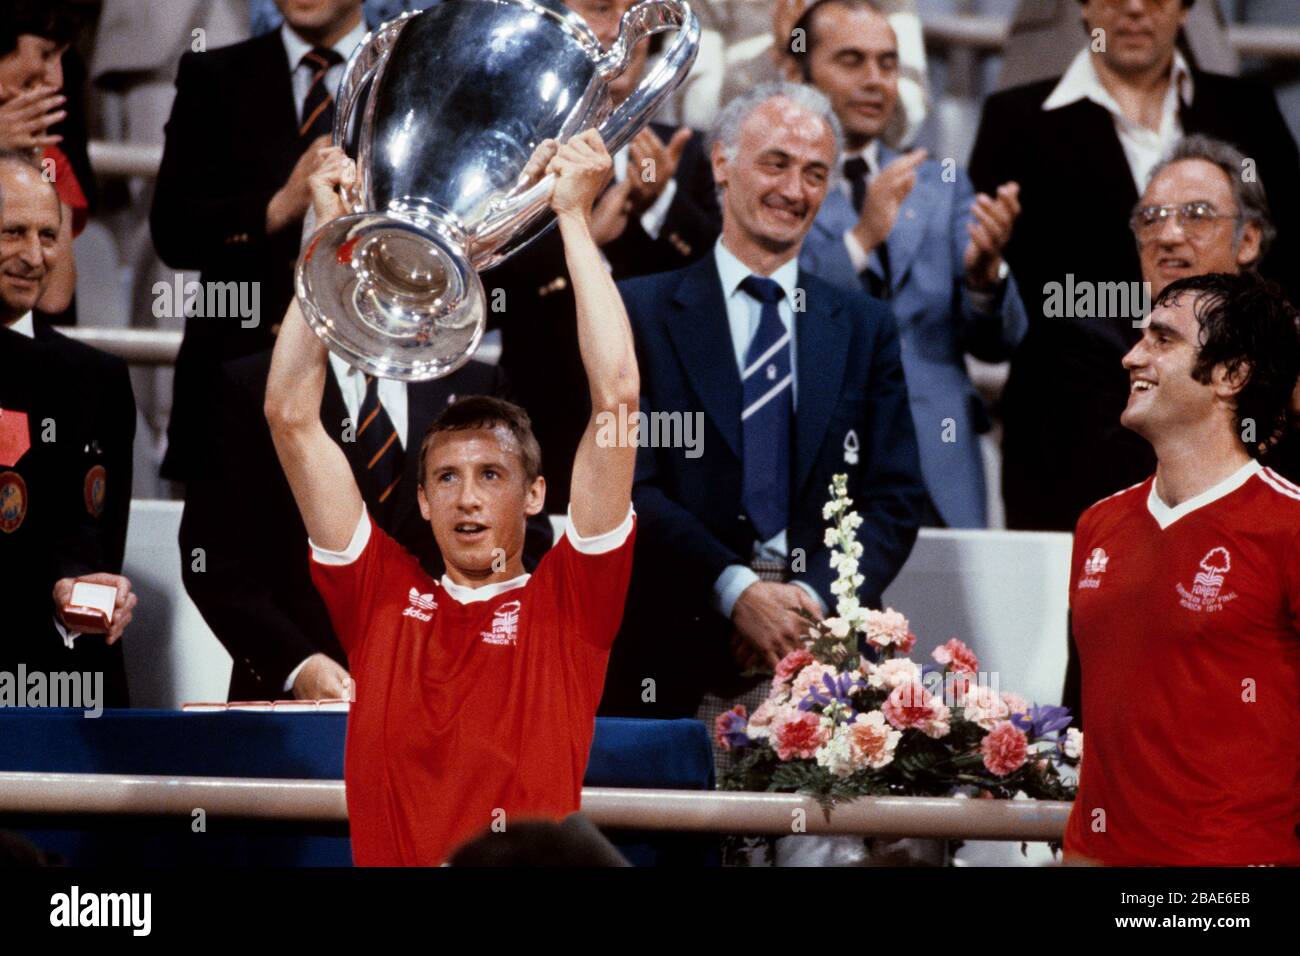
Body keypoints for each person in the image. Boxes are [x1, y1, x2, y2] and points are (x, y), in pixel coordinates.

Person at [264, 132, 639, 866]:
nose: (468, 499)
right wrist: (331, 240)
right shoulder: (378, 595)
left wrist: (571, 217)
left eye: (491, 476)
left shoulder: (571, 604)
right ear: (423, 502)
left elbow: (618, 396)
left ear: (536, 495)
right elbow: (289, 415)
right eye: (447, 478)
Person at [601, 82, 925, 723]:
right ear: (721, 163)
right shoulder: (640, 310)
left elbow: (893, 497)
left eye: (814, 173)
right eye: (775, 163)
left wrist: (809, 597)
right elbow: (629, 485)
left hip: (822, 654)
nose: (794, 191)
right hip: (671, 650)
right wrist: (737, 590)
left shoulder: (864, 327)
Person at [968, 0, 1300, 531]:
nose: (1135, 8)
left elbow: (1290, 266)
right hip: (1070, 437)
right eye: (1153, 218)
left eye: (1196, 216)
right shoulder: (1017, 121)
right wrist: (986, 281)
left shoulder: (1247, 111)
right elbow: (987, 326)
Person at [1063, 272, 1300, 866]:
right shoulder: (1098, 524)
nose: (1131, 355)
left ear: (1230, 375)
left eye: (1162, 339)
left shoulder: (1289, 526)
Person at [179, 348, 554, 702]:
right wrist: (297, 665)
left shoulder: (476, 380)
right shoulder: (249, 386)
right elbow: (213, 560)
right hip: (295, 707)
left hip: (451, 696)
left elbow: (523, 537)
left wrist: (464, 641)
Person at [789, 0, 1028, 528]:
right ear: (798, 71)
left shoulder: (943, 183)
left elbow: (998, 341)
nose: (875, 80)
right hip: (817, 458)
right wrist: (861, 238)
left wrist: (985, 278)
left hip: (938, 462)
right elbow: (783, 313)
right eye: (851, 61)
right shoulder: (772, 185)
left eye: (888, 63)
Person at [482, 0, 720, 515]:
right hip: (544, 422)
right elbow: (486, 296)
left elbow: (720, 278)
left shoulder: (692, 153)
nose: (619, 31)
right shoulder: (513, 154)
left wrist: (658, 208)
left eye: (636, 15)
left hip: (668, 434)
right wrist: (583, 231)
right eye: (600, 7)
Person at [151, 0, 367, 485]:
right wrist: (278, 206)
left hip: (367, 388)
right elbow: (173, 231)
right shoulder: (213, 73)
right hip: (231, 388)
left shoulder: (403, 74)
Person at [0, 151, 136, 706]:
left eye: (48, 235)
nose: (35, 256)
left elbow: (93, 545)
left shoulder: (97, 380)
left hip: (53, 682)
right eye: (13, 232)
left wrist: (77, 590)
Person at [0, 0, 92, 323]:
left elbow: (54, 298)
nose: (56, 80)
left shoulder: (50, 158)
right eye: (45, 54)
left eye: (62, 58)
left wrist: (31, 163)